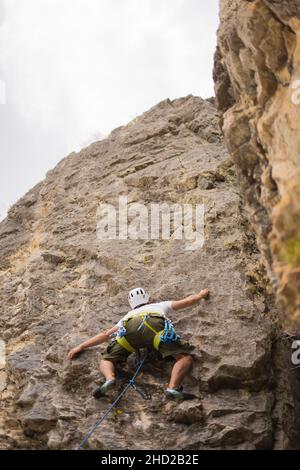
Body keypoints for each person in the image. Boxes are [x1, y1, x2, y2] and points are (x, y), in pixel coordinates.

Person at [68, 287, 209, 400]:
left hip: (130, 329)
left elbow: (105, 335)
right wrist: (201, 295)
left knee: (107, 359)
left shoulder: (127, 316)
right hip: (154, 327)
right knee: (184, 358)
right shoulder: (159, 305)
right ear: (147, 298)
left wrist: (81, 346)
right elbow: (187, 301)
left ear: (131, 304)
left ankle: (110, 378)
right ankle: (172, 387)